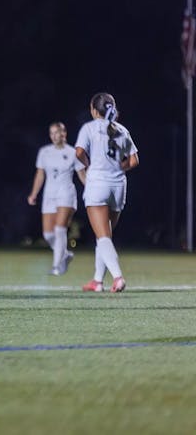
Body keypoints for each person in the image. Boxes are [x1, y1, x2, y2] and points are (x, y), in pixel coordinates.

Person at [75, 93, 139, 293]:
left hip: (98, 184)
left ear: (94, 110)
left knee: (103, 236)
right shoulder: (122, 130)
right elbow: (134, 160)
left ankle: (118, 277)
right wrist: (118, 169)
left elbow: (78, 153)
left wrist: (90, 165)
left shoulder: (89, 128)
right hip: (118, 186)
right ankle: (97, 281)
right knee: (104, 235)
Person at [27, 122, 86, 275]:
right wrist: (34, 194)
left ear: (64, 134)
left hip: (66, 193)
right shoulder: (44, 152)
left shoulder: (73, 152)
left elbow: (82, 175)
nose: (54, 136)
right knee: (48, 235)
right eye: (51, 133)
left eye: (57, 133)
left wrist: (91, 189)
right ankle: (65, 255)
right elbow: (40, 174)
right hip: (49, 194)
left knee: (60, 230)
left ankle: (56, 266)